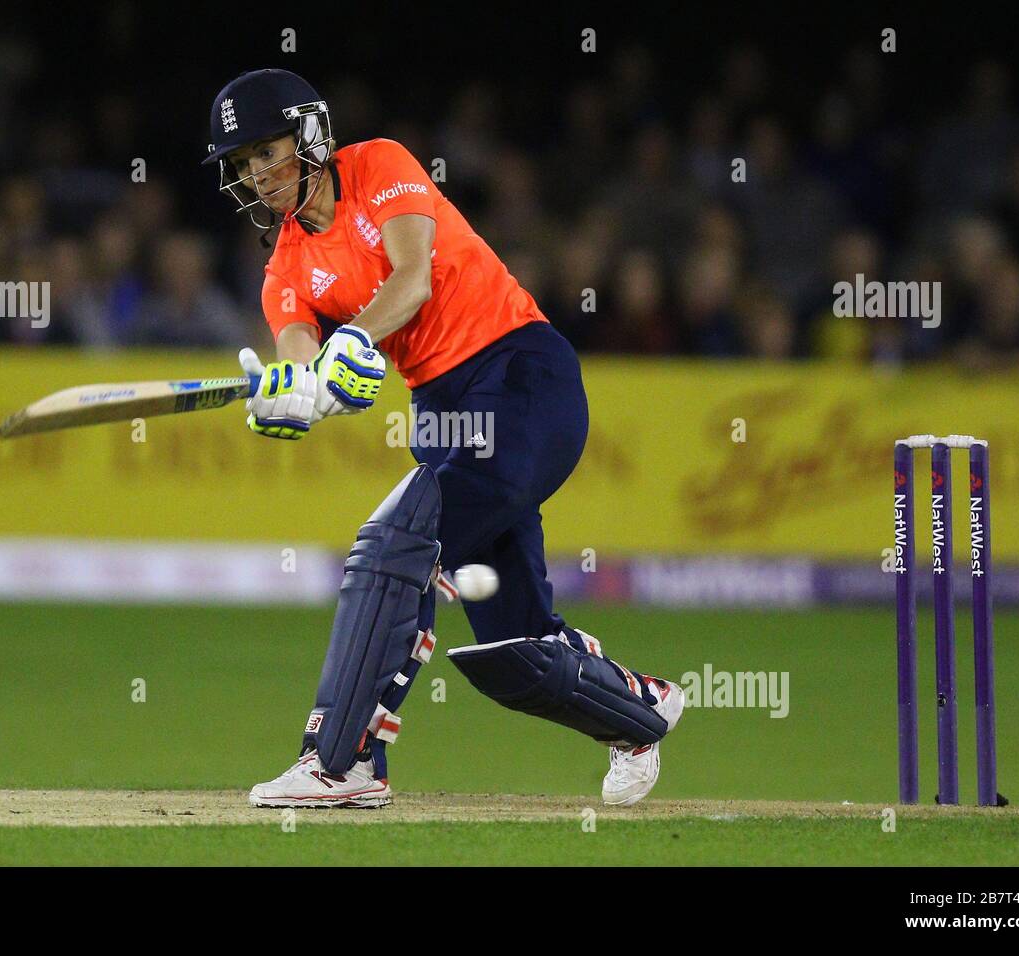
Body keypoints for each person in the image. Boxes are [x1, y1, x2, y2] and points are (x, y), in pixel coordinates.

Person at [202, 69, 684, 808]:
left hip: (523, 379)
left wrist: (349, 345)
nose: (257, 175)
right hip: (443, 412)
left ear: (309, 134)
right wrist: (297, 395)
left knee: (395, 542)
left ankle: (343, 761)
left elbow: (412, 278)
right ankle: (639, 712)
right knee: (513, 651)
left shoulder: (379, 164)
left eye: (266, 151)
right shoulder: (284, 272)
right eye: (241, 164)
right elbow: (304, 360)